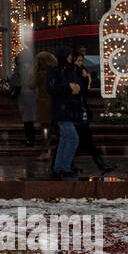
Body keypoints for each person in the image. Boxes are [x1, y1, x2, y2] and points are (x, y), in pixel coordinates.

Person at [72, 45, 114, 174]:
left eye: (81, 61)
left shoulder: (79, 72)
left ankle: (101, 165)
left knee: (81, 140)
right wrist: (84, 79)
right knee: (76, 140)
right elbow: (80, 91)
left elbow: (83, 92)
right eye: (78, 61)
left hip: (80, 111)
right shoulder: (73, 73)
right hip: (75, 112)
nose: (80, 63)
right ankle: (100, 164)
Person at [47, 47, 82, 178]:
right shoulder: (55, 71)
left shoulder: (69, 71)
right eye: (68, 56)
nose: (70, 58)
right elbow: (51, 88)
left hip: (67, 109)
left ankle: (59, 166)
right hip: (61, 109)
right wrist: (68, 87)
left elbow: (77, 86)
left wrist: (76, 87)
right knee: (72, 138)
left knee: (65, 139)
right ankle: (64, 166)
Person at [29, 51, 57, 161]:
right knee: (56, 129)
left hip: (44, 105)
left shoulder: (40, 74)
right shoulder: (55, 72)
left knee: (45, 130)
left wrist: (33, 71)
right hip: (55, 103)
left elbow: (31, 85)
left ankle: (46, 151)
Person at [9, 52, 36, 145]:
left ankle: (30, 139)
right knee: (30, 119)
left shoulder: (19, 68)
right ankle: (31, 138)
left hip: (24, 96)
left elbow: (14, 81)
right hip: (31, 95)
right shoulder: (32, 68)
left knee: (27, 120)